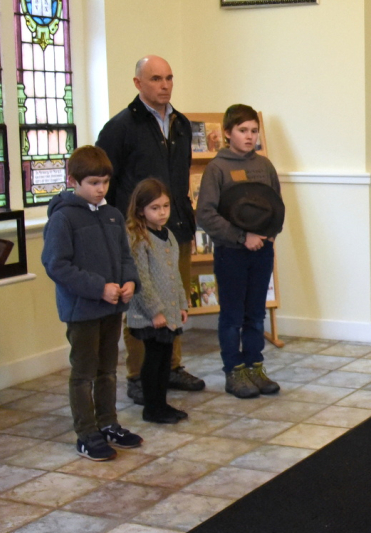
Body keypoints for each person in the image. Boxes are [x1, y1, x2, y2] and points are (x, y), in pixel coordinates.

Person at [96, 55, 205, 405]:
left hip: (174, 229)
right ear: (138, 83)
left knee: (173, 297)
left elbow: (181, 176)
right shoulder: (120, 127)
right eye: (156, 78)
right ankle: (138, 375)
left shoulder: (182, 124)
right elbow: (106, 184)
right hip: (138, 234)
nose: (165, 85)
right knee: (143, 304)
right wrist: (117, 229)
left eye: (169, 78)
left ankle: (170, 367)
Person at [42, 146, 145, 461]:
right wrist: (98, 288)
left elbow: (126, 256)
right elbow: (57, 265)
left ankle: (108, 423)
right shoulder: (63, 218)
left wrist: (129, 282)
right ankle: (87, 433)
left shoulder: (112, 215)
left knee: (108, 370)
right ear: (73, 180)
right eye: (93, 183)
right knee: (84, 372)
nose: (100, 189)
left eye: (105, 182)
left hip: (112, 309)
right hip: (83, 310)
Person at [195, 103, 282, 399]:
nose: (249, 136)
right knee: (233, 315)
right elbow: (206, 214)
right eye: (243, 130)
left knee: (255, 314)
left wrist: (267, 236)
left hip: (262, 251)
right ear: (227, 132)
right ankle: (234, 371)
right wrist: (241, 236)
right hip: (232, 252)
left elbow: (276, 207)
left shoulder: (264, 166)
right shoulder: (217, 168)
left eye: (254, 130)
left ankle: (255, 366)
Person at [125, 178, 190, 424]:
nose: (162, 212)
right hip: (150, 315)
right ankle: (152, 408)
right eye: (155, 208)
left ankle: (162, 404)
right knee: (153, 360)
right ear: (141, 209)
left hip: (170, 312)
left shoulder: (169, 235)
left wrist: (182, 305)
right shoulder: (138, 238)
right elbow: (140, 279)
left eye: (165, 206)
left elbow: (176, 275)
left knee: (165, 361)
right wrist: (155, 311)